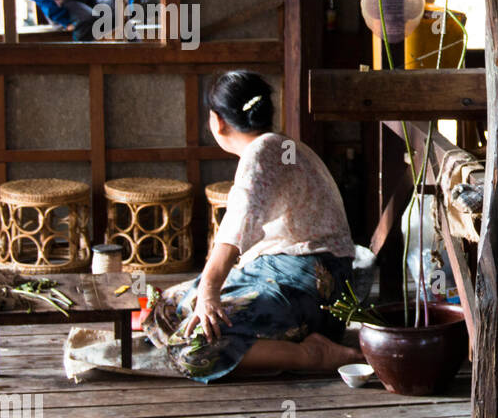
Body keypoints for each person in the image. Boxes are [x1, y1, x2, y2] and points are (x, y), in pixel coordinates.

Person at [143, 71, 361, 382]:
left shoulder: (264, 150)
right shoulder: (279, 145)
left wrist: (208, 292)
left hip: (308, 284)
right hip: (282, 275)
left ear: (216, 121)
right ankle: (270, 345)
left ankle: (312, 355)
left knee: (190, 350)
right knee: (160, 312)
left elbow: (235, 230)